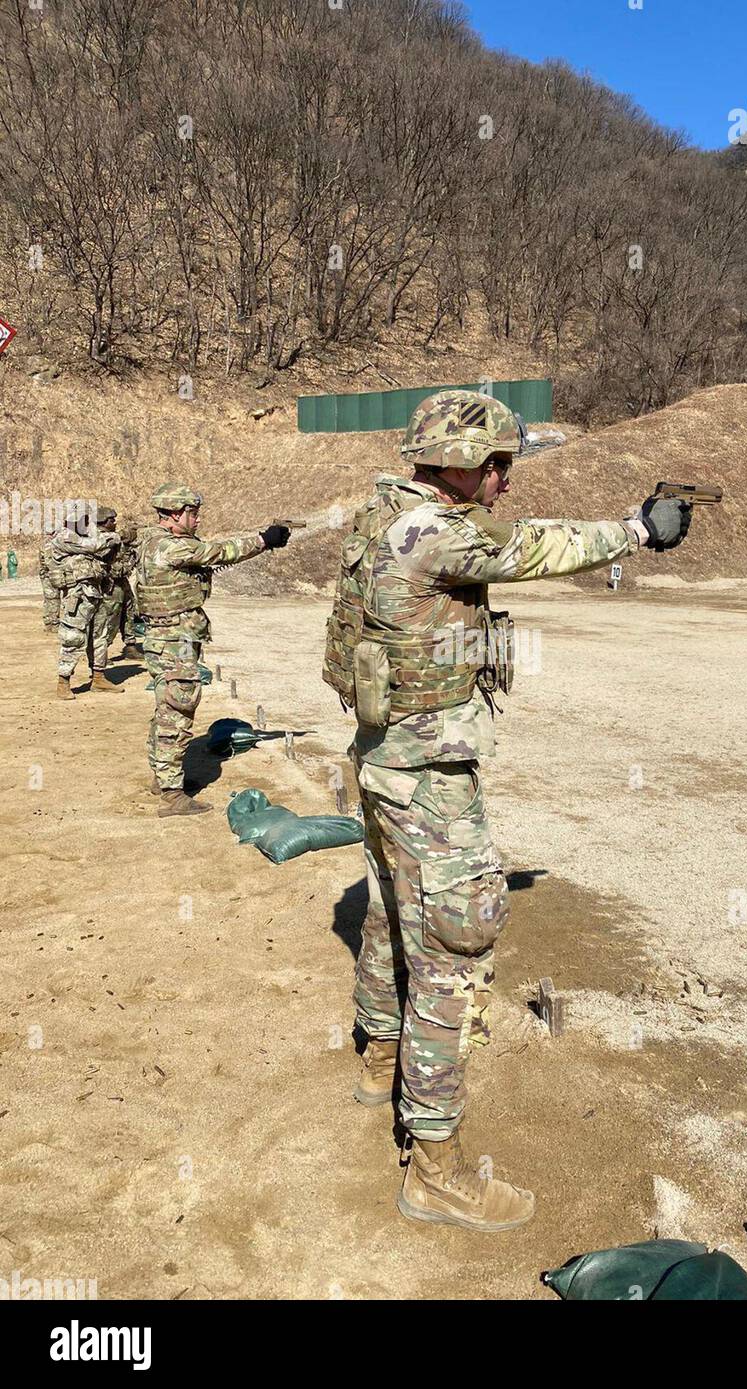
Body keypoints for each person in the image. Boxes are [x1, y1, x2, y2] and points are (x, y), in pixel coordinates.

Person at [322, 390, 692, 1231]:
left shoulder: (384, 511)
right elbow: (529, 549)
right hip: (429, 777)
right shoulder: (430, 535)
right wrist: (636, 529)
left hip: (384, 760)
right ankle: (437, 1169)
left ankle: (380, 1055)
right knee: (457, 945)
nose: (503, 481)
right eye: (495, 465)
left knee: (387, 911)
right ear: (455, 463)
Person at [135, 485, 290, 818]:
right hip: (173, 640)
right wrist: (265, 540)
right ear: (174, 515)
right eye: (192, 513)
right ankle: (172, 794)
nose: (197, 518)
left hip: (166, 638)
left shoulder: (151, 542)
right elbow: (219, 552)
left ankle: (163, 776)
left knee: (167, 706)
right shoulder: (171, 548)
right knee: (178, 709)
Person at [51, 505, 121, 700]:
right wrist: (112, 537)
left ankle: (98, 677)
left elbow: (103, 551)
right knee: (72, 637)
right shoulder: (65, 537)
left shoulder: (87, 535)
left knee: (99, 636)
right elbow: (95, 546)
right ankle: (63, 681)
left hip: (95, 592)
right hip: (77, 595)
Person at [101, 515, 142, 660]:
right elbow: (120, 537)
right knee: (111, 618)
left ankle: (130, 646)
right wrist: (128, 532)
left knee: (129, 613)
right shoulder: (101, 538)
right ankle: (101, 652)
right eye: (111, 520)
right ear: (102, 522)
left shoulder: (115, 537)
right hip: (110, 584)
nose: (114, 522)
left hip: (122, 581)